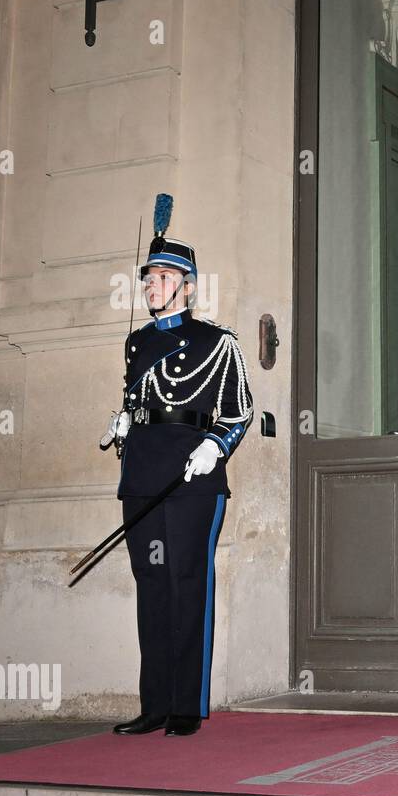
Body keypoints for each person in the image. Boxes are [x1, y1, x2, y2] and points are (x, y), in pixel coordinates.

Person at [101, 197, 253, 737]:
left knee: (189, 581)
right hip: (142, 473)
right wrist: (123, 420)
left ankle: (187, 703)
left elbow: (239, 408)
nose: (151, 286)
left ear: (187, 285)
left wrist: (216, 443)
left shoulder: (217, 341)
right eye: (147, 278)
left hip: (192, 476)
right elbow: (137, 396)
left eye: (163, 277)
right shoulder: (136, 341)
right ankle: (156, 702)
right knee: (152, 583)